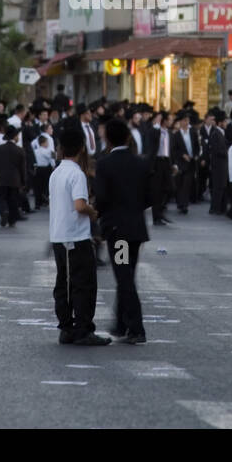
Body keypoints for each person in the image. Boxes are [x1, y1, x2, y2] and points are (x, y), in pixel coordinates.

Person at [47, 126, 108, 346]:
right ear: (82, 148)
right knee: (84, 283)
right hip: (75, 236)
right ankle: (83, 329)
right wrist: (93, 213)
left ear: (61, 148)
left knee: (64, 282)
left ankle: (66, 327)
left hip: (58, 236)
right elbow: (80, 205)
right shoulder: (76, 174)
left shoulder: (56, 172)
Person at [94, 118, 150, 344]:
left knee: (124, 277)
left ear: (107, 138)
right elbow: (151, 197)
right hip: (136, 229)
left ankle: (136, 328)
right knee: (126, 274)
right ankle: (121, 324)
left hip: (118, 232)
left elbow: (102, 198)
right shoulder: (141, 163)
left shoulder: (105, 164)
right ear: (128, 137)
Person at [0, 123, 26, 228]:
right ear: (15, 136)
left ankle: (4, 211)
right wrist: (23, 181)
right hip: (14, 180)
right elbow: (22, 168)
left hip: (1, 178)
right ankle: (12, 220)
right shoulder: (20, 150)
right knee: (13, 200)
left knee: (1, 198)